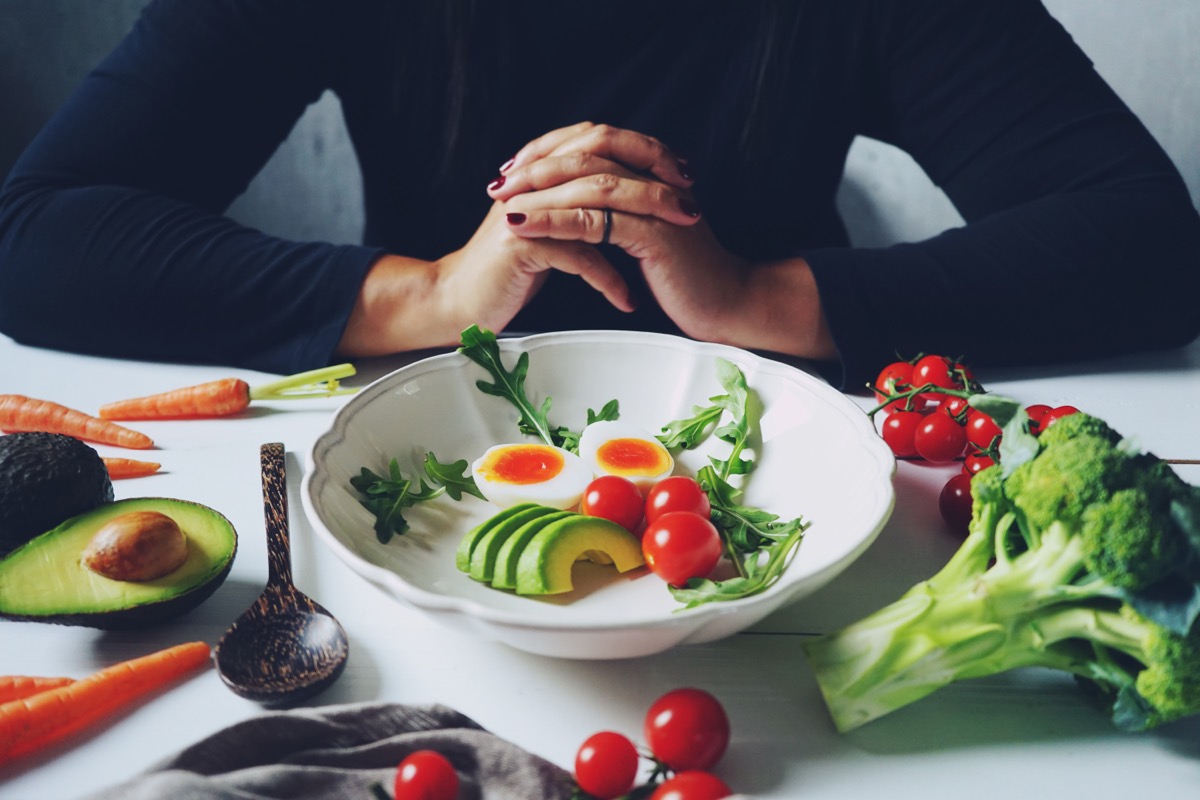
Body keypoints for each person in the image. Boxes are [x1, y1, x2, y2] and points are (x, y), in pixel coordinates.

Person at [0, 0, 1197, 392]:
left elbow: (1150, 247)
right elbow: (35, 237)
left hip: (800, 438)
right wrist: (432, 289)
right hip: (430, 443)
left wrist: (757, 297)